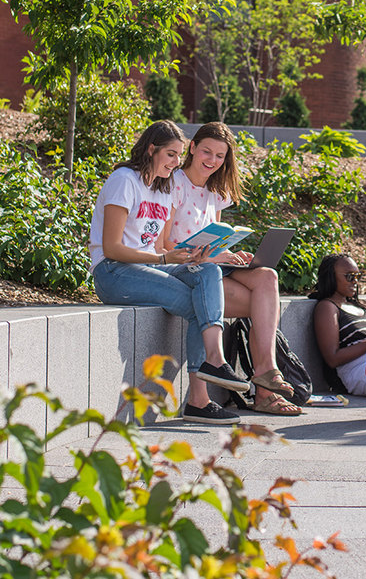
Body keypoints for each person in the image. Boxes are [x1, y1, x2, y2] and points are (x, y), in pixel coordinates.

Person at [89, 120, 248, 426]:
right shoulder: (125, 180)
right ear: (151, 150)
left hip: (148, 268)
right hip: (113, 272)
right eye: (171, 155)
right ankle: (200, 397)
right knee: (196, 303)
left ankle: (215, 362)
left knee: (207, 271)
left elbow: (161, 247)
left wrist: (195, 255)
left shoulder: (162, 188)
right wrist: (164, 259)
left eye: (178, 156)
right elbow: (110, 247)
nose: (177, 164)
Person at [164, 122, 302, 416]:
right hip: (188, 268)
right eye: (206, 152)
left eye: (220, 156)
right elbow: (165, 243)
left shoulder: (214, 191)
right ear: (192, 148)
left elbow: (213, 235)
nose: (212, 161)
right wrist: (212, 258)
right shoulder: (175, 183)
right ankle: (265, 392)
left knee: (267, 276)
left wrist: (230, 252)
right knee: (262, 306)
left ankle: (267, 369)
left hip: (212, 263)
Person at [310, 254, 366, 396]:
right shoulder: (327, 307)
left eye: (358, 276)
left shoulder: (361, 306)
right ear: (331, 277)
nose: (355, 281)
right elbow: (332, 359)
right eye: (350, 276)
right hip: (356, 370)